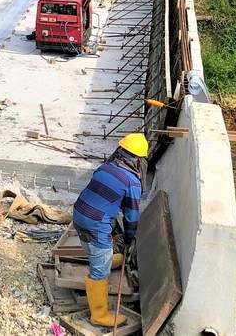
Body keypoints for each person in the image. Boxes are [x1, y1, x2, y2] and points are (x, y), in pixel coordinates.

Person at [72, 133, 148, 328]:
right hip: (95, 223)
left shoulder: (106, 167)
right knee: (99, 271)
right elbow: (132, 217)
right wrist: (129, 238)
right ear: (139, 160)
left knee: (94, 247)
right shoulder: (132, 182)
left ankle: (104, 259)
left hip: (79, 212)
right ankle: (99, 315)